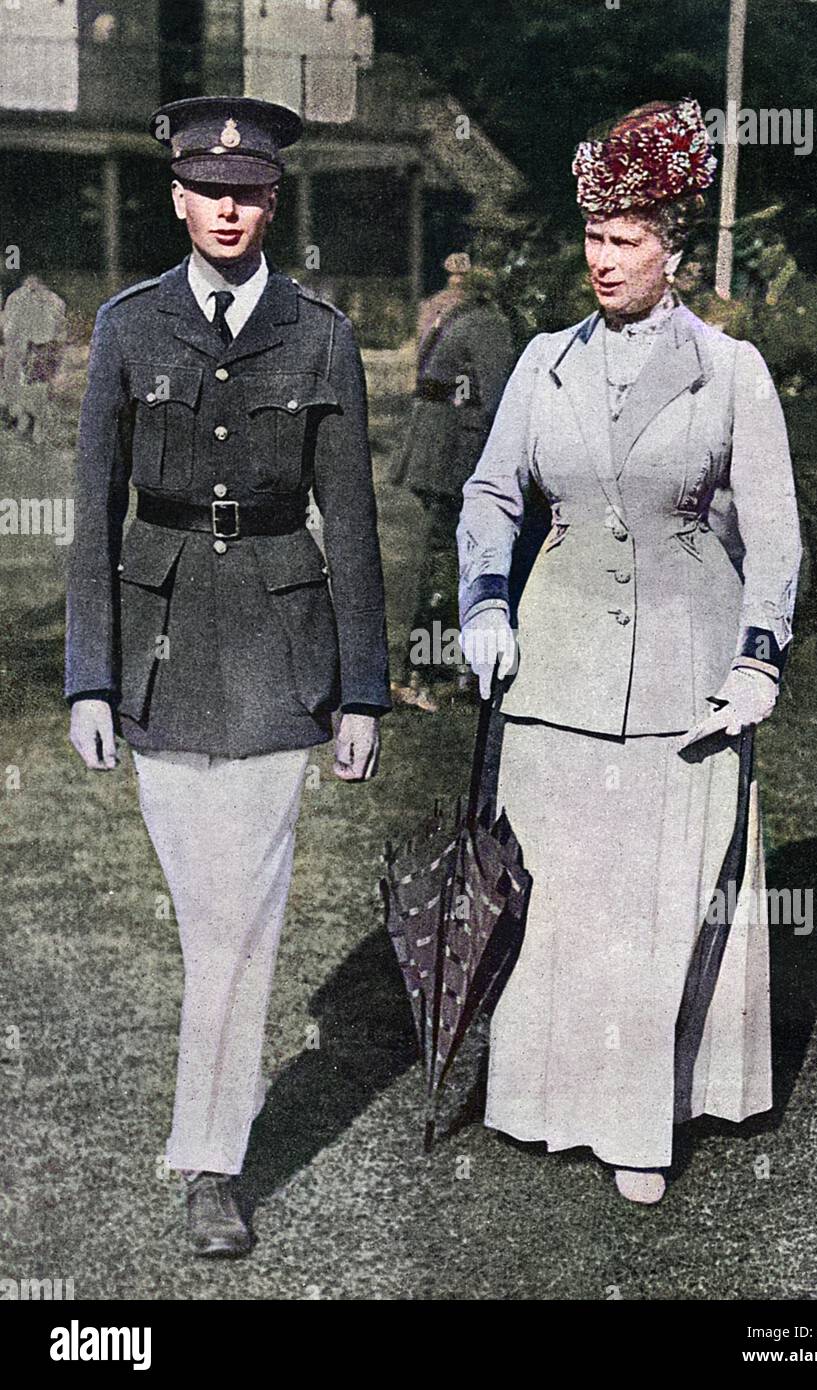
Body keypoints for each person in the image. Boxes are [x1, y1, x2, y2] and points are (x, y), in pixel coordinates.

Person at [457, 99, 802, 1204]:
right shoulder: (545, 359)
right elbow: (492, 490)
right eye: (595, 240)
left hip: (683, 674)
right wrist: (483, 605)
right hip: (554, 664)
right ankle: (542, 1101)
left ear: (675, 252)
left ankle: (638, 1121)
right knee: (558, 893)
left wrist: (757, 658)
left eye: (627, 241)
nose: (603, 262)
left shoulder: (731, 369)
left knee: (657, 901)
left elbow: (777, 530)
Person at [65, 96, 390, 1256]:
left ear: (272, 203)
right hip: (156, 653)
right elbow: (93, 517)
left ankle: (210, 1165)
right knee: (208, 919)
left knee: (239, 926)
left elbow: (350, 521)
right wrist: (89, 679)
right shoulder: (128, 326)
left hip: (273, 651)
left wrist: (362, 692)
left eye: (249, 192)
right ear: (178, 199)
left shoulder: (320, 335)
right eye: (210, 189)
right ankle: (211, 1131)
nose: (228, 208)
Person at [391, 256, 514, 710]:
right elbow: (498, 400)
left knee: (446, 559)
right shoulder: (487, 323)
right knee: (452, 563)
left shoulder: (454, 313)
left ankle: (443, 669)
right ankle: (430, 673)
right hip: (457, 459)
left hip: (437, 451)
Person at [1, 274, 67, 443]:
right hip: (24, 351)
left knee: (37, 387)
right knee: (22, 387)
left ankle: (33, 424)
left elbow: (58, 329)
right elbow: (8, 328)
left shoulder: (52, 300)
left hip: (37, 350)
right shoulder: (16, 298)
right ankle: (23, 419)